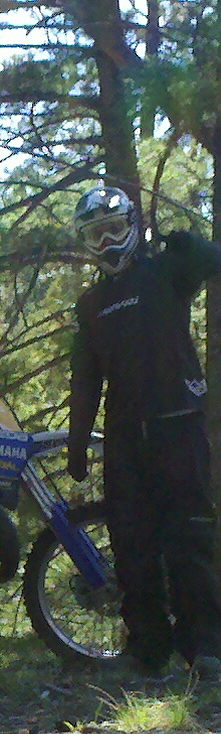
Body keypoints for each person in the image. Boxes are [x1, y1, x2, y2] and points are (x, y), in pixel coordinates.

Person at [67, 184, 221, 677]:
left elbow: (214, 260)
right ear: (86, 242)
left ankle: (207, 647)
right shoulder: (90, 304)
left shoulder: (166, 270)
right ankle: (147, 649)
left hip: (179, 425)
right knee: (132, 545)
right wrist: (76, 443)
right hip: (124, 439)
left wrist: (192, 245)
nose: (108, 241)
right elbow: (86, 379)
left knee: (190, 538)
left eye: (115, 228)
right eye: (96, 234)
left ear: (133, 226)